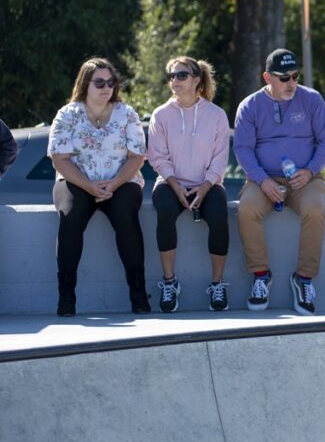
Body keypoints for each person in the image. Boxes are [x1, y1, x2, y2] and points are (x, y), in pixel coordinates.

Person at [47, 57, 150, 316]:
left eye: (111, 82)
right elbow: (60, 159)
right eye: (100, 82)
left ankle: (138, 296)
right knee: (70, 217)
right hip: (76, 181)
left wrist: (114, 184)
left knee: (127, 216)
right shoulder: (67, 114)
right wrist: (90, 186)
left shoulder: (127, 114)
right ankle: (66, 298)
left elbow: (137, 156)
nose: (107, 88)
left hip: (122, 181)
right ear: (85, 84)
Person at [234, 48, 325, 315]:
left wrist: (311, 170)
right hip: (263, 179)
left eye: (295, 76)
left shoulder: (312, 99)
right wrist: (261, 179)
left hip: (305, 178)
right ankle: (260, 276)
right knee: (246, 209)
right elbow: (243, 148)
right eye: (284, 78)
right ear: (267, 77)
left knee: (315, 209)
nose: (291, 83)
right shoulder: (250, 105)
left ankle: (304, 279)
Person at [148, 56, 231, 312]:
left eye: (181, 76)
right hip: (171, 183)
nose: (175, 81)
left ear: (196, 80)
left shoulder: (216, 115)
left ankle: (217, 284)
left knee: (219, 213)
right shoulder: (160, 115)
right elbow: (157, 157)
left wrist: (205, 187)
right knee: (164, 209)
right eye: (171, 76)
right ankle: (170, 282)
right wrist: (175, 186)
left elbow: (220, 159)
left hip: (207, 183)